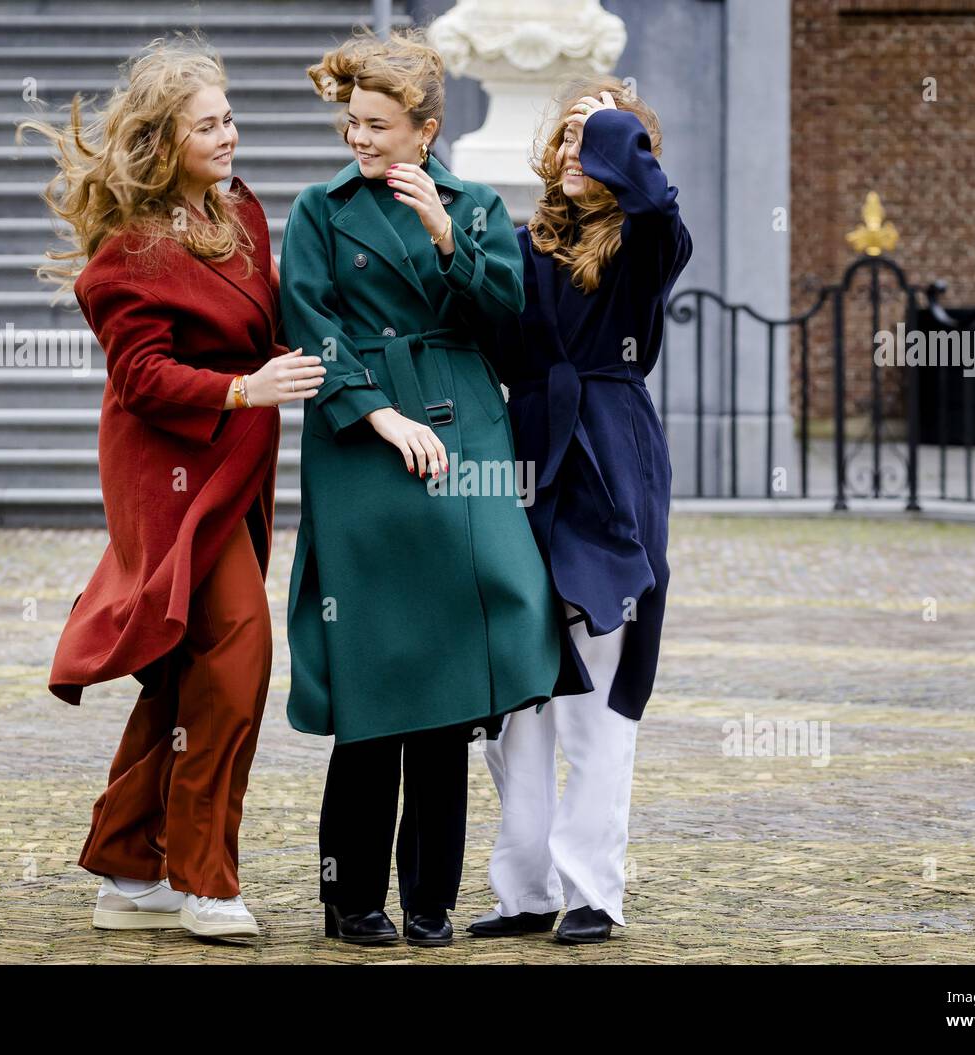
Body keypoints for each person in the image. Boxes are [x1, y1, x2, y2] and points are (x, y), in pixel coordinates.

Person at [280, 28, 586, 948]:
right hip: (363, 448)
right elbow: (309, 321)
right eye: (352, 122)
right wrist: (379, 414)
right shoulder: (319, 209)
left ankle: (431, 899)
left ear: (425, 129)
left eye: (377, 125)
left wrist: (449, 237)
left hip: (466, 439)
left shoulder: (477, 206)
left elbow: (505, 321)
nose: (358, 139)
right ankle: (350, 896)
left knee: (454, 667)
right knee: (376, 663)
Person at [24, 35, 326, 939]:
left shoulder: (242, 212)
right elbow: (141, 377)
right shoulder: (127, 254)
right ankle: (203, 878)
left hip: (238, 462)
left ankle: (127, 864)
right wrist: (242, 390)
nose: (228, 135)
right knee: (236, 653)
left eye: (230, 118)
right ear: (164, 142)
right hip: (170, 472)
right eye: (208, 126)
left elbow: (269, 324)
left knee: (183, 666)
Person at [469, 76, 693, 945]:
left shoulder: (646, 243)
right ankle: (524, 889)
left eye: (593, 139)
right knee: (521, 697)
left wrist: (611, 120)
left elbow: (656, 201)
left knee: (596, 690)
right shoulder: (522, 245)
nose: (575, 150)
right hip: (525, 460)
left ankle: (593, 888)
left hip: (609, 463)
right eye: (566, 135)